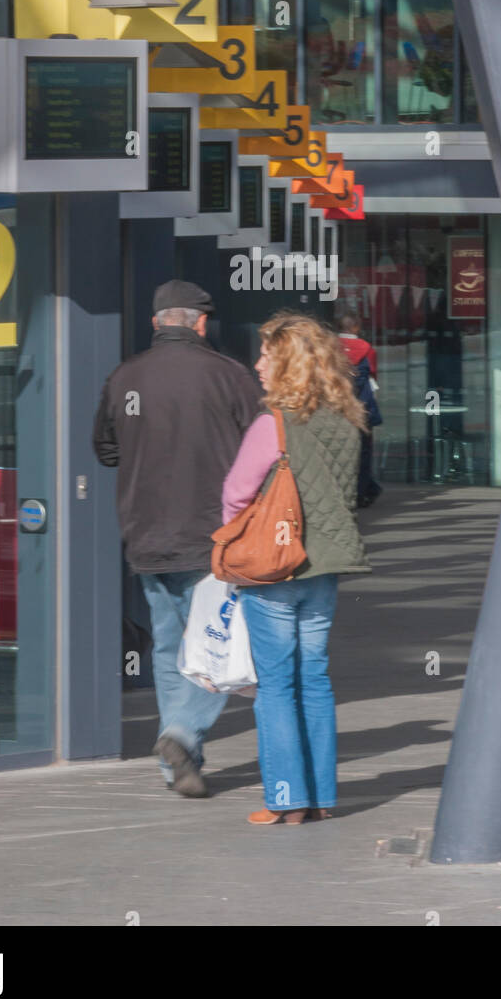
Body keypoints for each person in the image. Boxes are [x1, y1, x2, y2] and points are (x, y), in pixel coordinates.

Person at [93, 280, 259, 797]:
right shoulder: (230, 376)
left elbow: (105, 450)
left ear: (157, 322)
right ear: (201, 322)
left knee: (169, 645)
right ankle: (180, 735)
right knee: (218, 646)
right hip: (212, 538)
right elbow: (262, 450)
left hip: (144, 534)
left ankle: (176, 765)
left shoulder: (125, 377)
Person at [221, 312, 371, 825]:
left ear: (289, 365)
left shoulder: (274, 424)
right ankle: (322, 797)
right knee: (315, 680)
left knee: (277, 686)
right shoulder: (349, 421)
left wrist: (235, 549)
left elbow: (236, 494)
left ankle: (285, 799)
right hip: (324, 570)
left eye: (267, 355)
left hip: (275, 571)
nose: (257, 364)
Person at [337, 313, 383, 506]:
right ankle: (364, 490)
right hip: (361, 406)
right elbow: (372, 380)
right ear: (355, 328)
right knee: (363, 451)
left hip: (338, 406)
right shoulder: (367, 350)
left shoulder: (331, 348)